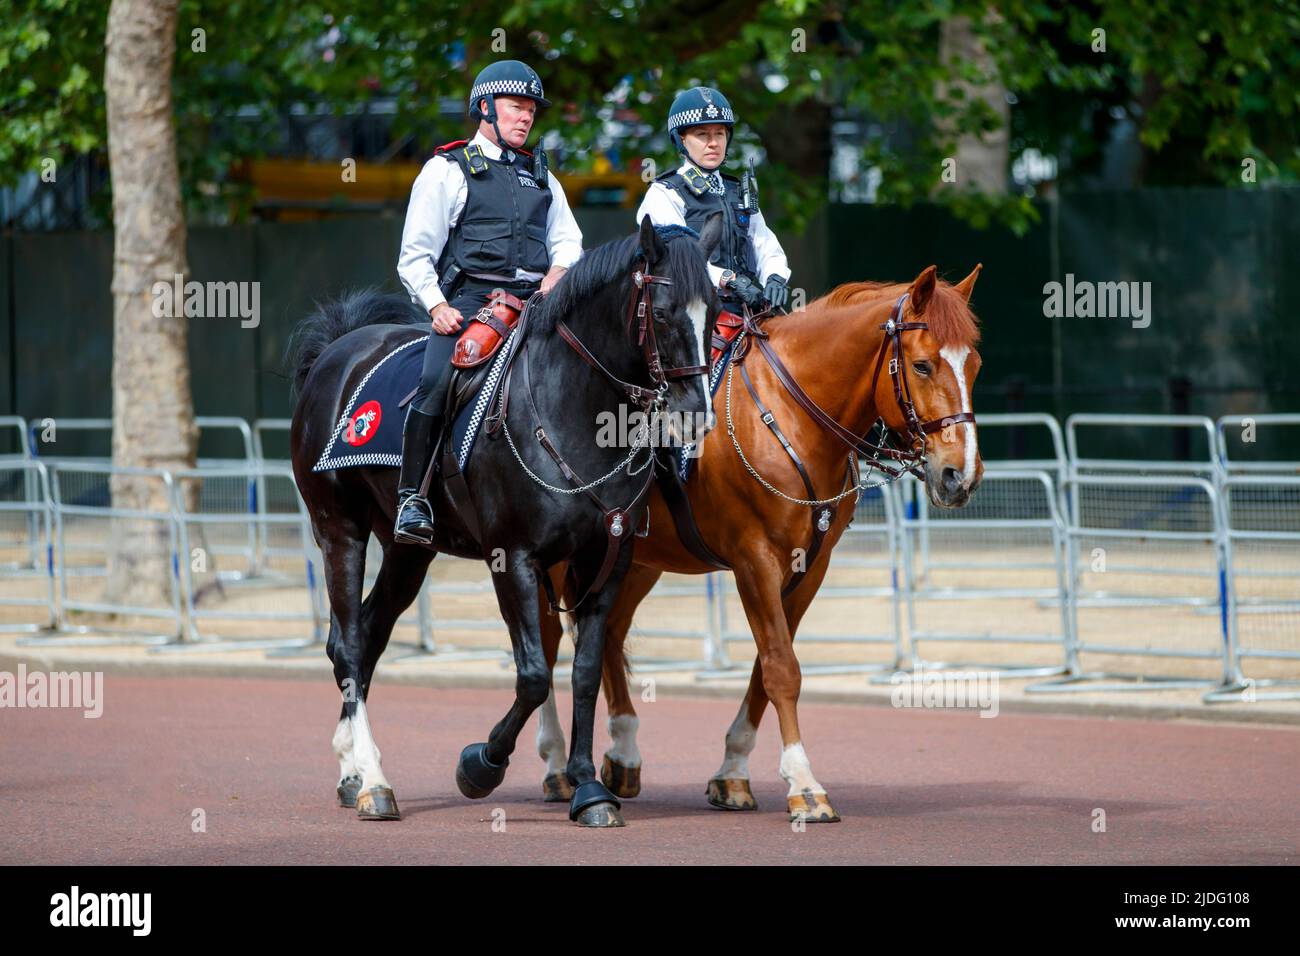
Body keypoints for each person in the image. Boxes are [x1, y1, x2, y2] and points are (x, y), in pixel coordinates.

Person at [394, 60, 582, 545]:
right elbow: (415, 256)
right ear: (485, 108)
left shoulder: (543, 176)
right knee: (437, 380)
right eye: (516, 107)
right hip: (470, 302)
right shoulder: (446, 169)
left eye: (531, 111)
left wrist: (558, 273)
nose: (526, 118)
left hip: (539, 302)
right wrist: (437, 306)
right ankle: (412, 497)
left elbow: (568, 242)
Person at [635, 86, 790, 317]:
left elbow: (764, 243)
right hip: (692, 312)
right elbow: (675, 259)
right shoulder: (664, 192)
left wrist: (775, 277)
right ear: (681, 140)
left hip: (749, 307)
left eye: (719, 133)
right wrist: (728, 279)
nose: (714, 143)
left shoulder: (738, 191)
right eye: (702, 135)